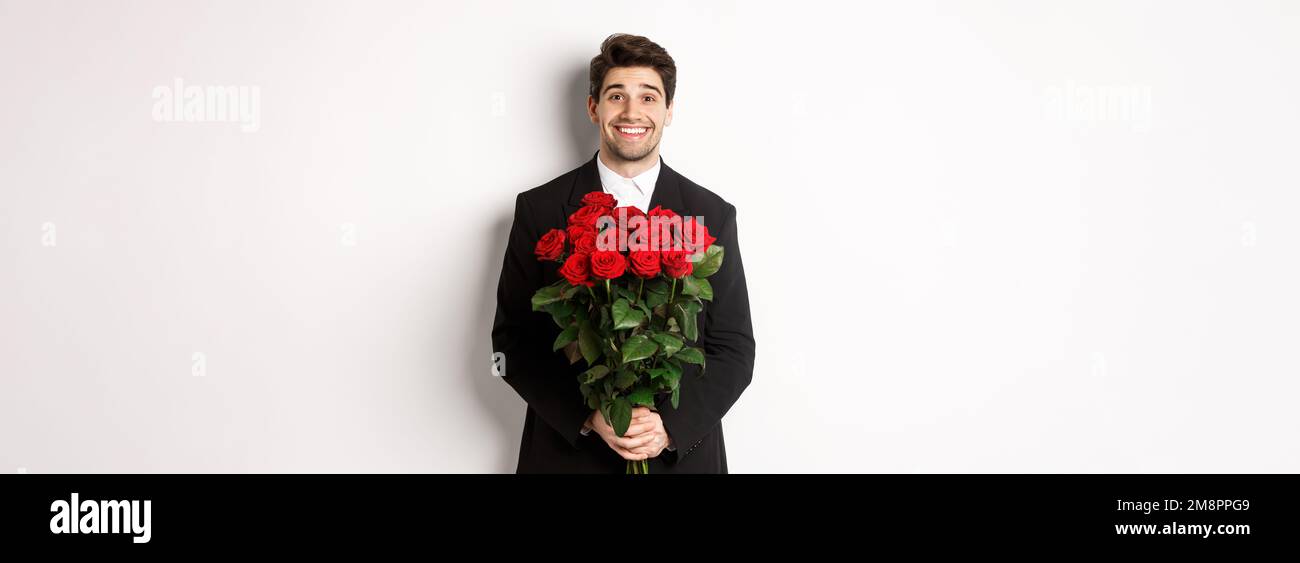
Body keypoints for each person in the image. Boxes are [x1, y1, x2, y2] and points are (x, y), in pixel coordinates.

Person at [492, 33, 755, 473]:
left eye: (648, 97)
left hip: (680, 458)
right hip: (569, 457)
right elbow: (512, 342)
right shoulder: (539, 209)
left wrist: (669, 426)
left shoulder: (711, 215)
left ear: (668, 111)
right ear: (593, 107)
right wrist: (591, 417)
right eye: (617, 95)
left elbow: (734, 347)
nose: (632, 112)